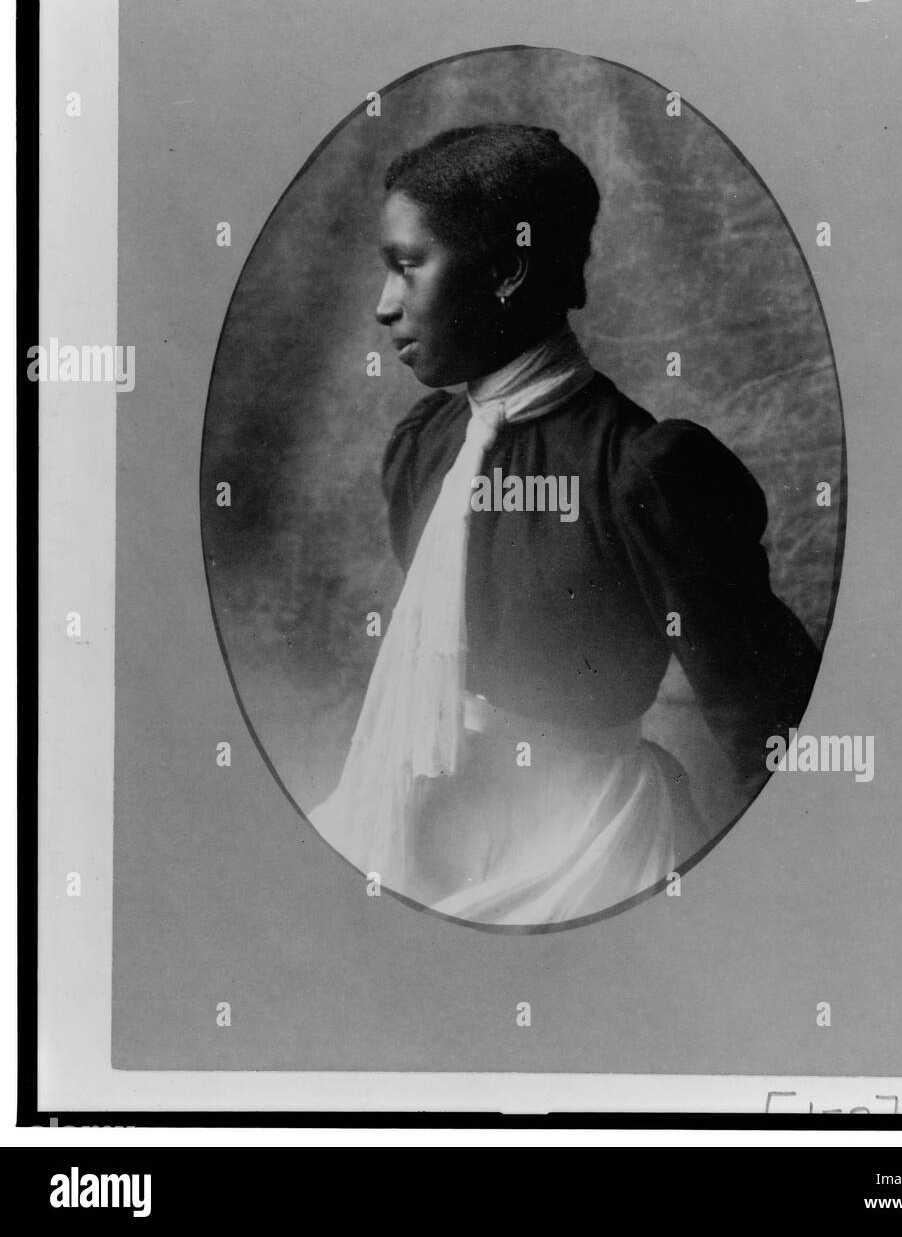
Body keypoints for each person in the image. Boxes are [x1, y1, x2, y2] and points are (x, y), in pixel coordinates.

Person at [309, 123, 819, 927]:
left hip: (588, 857)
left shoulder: (645, 474)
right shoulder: (423, 450)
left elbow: (773, 717)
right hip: (420, 833)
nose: (384, 307)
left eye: (409, 268)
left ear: (506, 271)